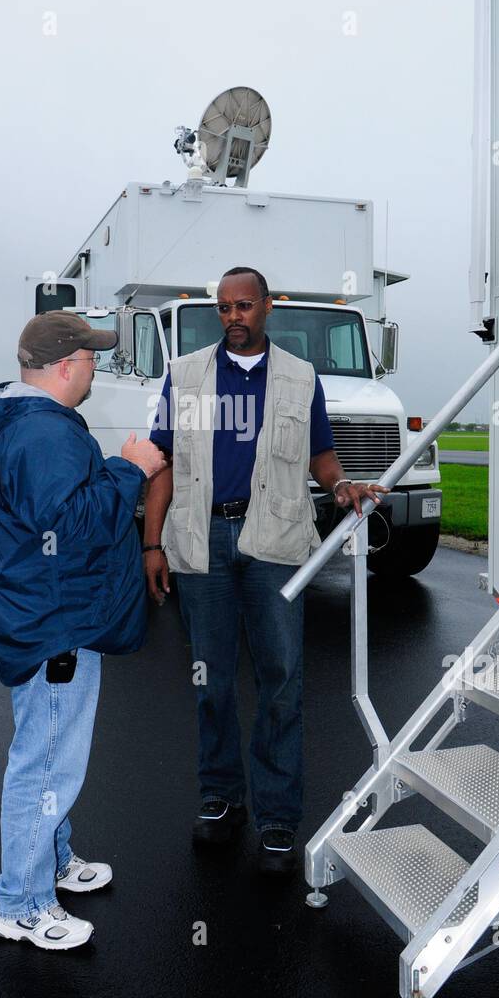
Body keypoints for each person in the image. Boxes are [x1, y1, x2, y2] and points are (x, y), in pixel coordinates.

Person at [144, 267, 388, 874]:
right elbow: (165, 461)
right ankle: (221, 801)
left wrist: (339, 486)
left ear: (268, 307)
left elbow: (320, 453)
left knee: (282, 682)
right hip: (202, 542)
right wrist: (153, 544)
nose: (233, 317)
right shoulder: (187, 375)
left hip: (273, 539)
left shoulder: (300, 378)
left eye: (244, 306)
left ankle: (278, 820)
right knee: (212, 682)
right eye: (224, 307)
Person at [0, 311, 165, 950]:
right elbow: (73, 523)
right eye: (91, 357)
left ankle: (51, 864)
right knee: (47, 763)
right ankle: (22, 903)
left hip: (47, 614)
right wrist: (130, 467)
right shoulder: (43, 434)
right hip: (52, 624)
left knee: (51, 755)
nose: (96, 367)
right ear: (64, 366)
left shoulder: (36, 427)